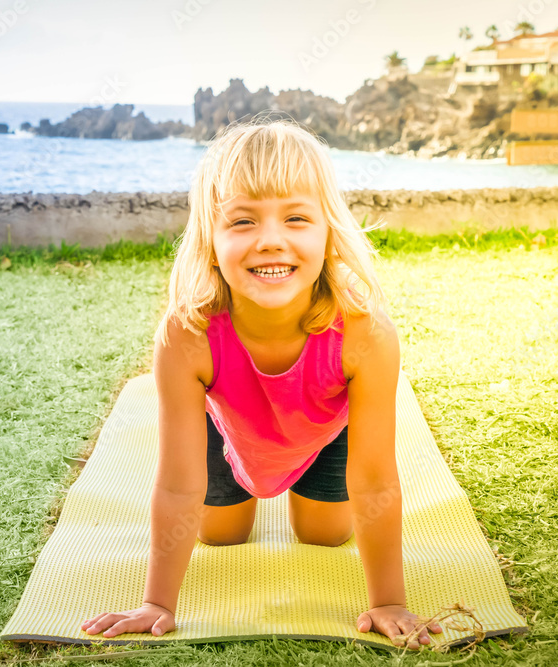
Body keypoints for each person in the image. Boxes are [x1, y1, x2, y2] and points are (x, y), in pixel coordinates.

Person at [79, 116, 443, 651]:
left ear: (328, 231)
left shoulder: (365, 332)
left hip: (324, 436)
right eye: (243, 222)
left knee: (324, 536)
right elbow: (179, 484)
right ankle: (242, 485)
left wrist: (387, 599)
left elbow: (375, 481)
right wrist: (157, 602)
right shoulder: (187, 333)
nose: (271, 241)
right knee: (220, 537)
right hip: (228, 438)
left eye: (296, 217)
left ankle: (305, 484)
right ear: (210, 239)